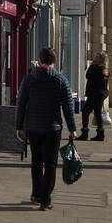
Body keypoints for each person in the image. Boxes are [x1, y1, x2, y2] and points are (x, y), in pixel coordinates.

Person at [16, 48, 77, 210]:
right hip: (53, 128)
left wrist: (19, 126)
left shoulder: (29, 79)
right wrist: (72, 128)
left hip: (34, 128)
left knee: (36, 162)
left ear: (40, 60)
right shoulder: (61, 80)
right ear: (54, 61)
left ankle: (36, 193)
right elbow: (68, 107)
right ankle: (45, 199)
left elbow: (21, 103)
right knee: (50, 164)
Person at [80, 53, 109, 141]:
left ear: (101, 59)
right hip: (99, 94)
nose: (95, 58)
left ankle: (85, 133)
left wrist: (92, 65)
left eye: (97, 57)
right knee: (97, 113)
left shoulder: (97, 68)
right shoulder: (104, 69)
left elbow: (88, 75)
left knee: (86, 112)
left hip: (95, 94)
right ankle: (100, 134)